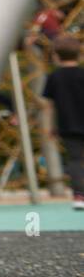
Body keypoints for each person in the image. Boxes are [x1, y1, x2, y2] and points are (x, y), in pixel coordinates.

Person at [40, 34, 84, 210]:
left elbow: (49, 105)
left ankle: (79, 196)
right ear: (79, 55)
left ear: (56, 56)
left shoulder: (54, 77)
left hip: (67, 125)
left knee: (74, 160)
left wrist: (51, 127)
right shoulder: (82, 74)